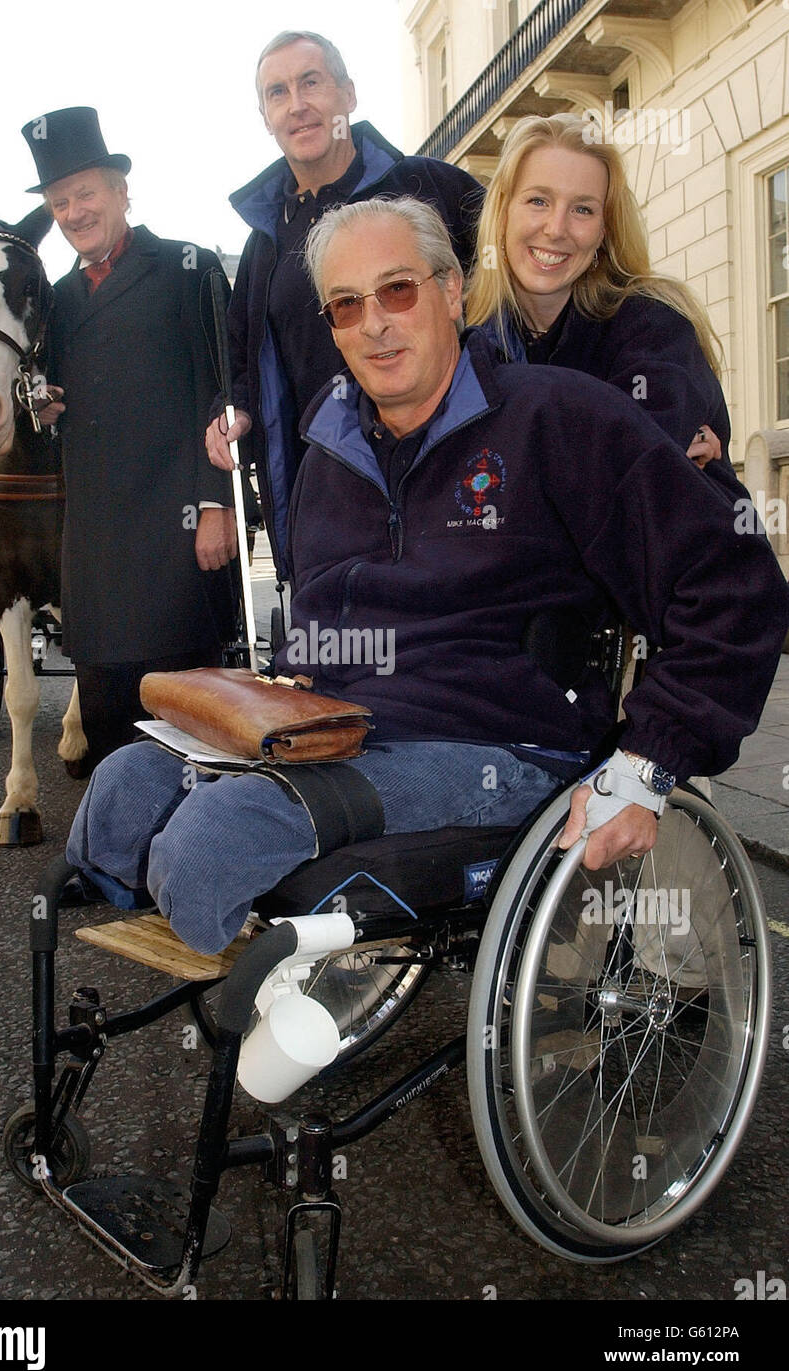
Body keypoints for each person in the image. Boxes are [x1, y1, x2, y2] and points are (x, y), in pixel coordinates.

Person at [65, 197, 788, 955]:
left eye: (397, 290)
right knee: (122, 791)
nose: (373, 322)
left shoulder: (558, 419)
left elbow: (732, 590)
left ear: (450, 292)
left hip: (495, 743)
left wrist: (648, 766)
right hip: (331, 727)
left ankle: (248, 1019)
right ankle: (231, 969)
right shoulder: (328, 449)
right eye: (346, 305)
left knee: (215, 840)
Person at [203, 29, 486, 567]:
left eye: (311, 82)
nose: (298, 105)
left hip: (445, 486)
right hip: (325, 505)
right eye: (278, 93)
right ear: (266, 118)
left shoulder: (433, 188)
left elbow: (526, 296)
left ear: (348, 95)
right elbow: (243, 367)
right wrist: (232, 412)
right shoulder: (263, 244)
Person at [20, 106, 237, 769]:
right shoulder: (54, 301)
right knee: (112, 740)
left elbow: (221, 392)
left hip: (177, 545)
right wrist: (44, 408)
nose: (74, 211)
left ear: (120, 189)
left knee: (190, 736)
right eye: (60, 201)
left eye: (85, 193)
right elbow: (43, 396)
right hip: (94, 556)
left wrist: (216, 505)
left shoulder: (186, 268)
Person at [466, 112, 738, 488]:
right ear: (503, 210)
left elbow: (625, 471)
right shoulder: (463, 336)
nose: (556, 229)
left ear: (603, 231)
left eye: (583, 209)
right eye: (538, 201)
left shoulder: (655, 327)